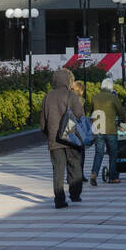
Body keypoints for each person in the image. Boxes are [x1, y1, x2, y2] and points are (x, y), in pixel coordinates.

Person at [41, 68, 86, 208]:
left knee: (58, 170)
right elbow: (80, 116)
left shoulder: (48, 97)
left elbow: (43, 121)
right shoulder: (72, 96)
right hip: (71, 138)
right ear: (67, 80)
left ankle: (59, 200)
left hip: (55, 140)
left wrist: (49, 134)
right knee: (75, 166)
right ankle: (75, 194)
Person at [90, 78, 126, 185]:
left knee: (99, 153)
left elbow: (92, 111)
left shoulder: (95, 97)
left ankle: (94, 173)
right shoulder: (113, 97)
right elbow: (121, 111)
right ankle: (112, 177)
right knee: (113, 153)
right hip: (110, 129)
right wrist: (124, 120)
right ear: (111, 87)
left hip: (98, 129)